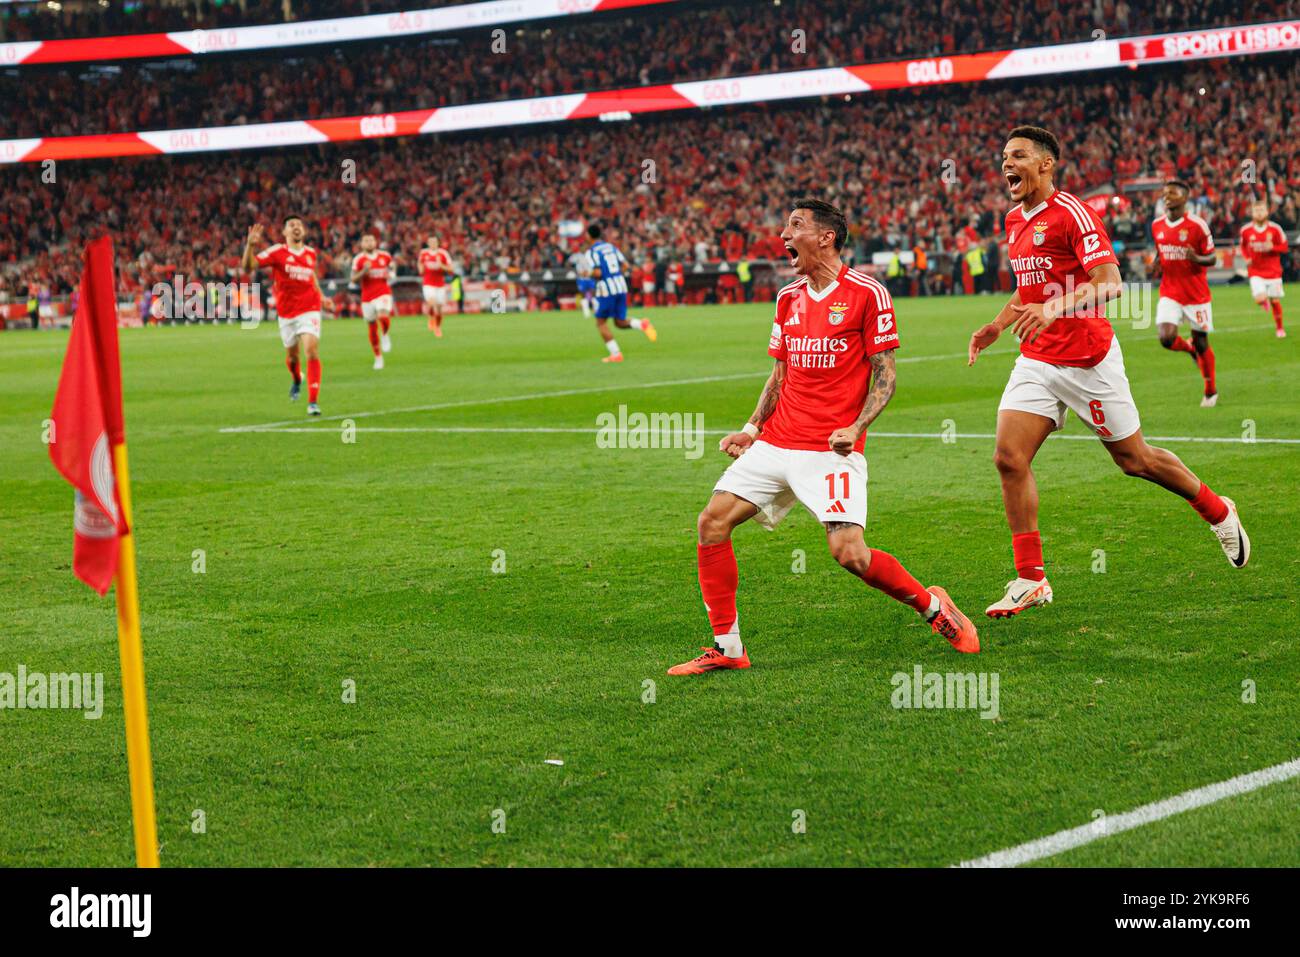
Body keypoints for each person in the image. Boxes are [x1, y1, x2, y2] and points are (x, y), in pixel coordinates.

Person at [668, 199, 979, 676]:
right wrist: (752, 429)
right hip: (777, 440)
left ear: (827, 237)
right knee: (711, 523)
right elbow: (779, 374)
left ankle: (934, 608)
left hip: (830, 448)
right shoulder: (787, 297)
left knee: (849, 554)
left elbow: (886, 376)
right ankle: (728, 648)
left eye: (795, 226)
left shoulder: (867, 293)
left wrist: (856, 427)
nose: (784, 235)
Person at [968, 127, 1249, 619]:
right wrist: (997, 324)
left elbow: (1112, 284)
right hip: (1037, 359)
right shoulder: (1013, 220)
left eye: (1018, 156)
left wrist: (1057, 308)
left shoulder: (1073, 213)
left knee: (1135, 460)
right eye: (1003, 157)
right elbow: (1029, 288)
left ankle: (1217, 510)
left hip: (1088, 359)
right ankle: (1031, 579)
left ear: (1046, 164)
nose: (1006, 165)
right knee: (1009, 458)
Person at [241, 215, 326, 415]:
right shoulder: (277, 252)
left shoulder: (311, 253)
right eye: (291, 225)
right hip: (287, 313)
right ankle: (297, 379)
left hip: (309, 308)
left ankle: (313, 402)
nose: (296, 228)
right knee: (293, 357)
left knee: (311, 350)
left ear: (303, 231)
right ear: (285, 232)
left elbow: (311, 275)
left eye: (299, 225)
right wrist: (250, 246)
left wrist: (322, 296)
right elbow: (248, 267)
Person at [1151, 180, 1218, 405]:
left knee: (1202, 343)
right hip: (1169, 291)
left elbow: (1212, 257)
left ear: (1185, 197)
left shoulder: (1198, 225)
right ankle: (1188, 347)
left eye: (1173, 192)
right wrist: (1156, 263)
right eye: (1165, 193)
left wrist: (1197, 258)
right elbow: (1161, 251)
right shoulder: (1157, 225)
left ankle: (1210, 390)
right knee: (1166, 338)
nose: (1167, 196)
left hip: (1196, 294)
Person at [580, 224, 657, 363]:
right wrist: (614, 275)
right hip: (621, 286)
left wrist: (587, 273)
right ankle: (642, 324)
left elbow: (598, 273)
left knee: (601, 322)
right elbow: (626, 266)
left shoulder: (591, 252)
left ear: (589, 236)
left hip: (606, 289)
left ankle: (616, 354)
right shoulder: (611, 247)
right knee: (619, 322)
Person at [1239, 199, 1289, 338]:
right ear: (1252, 213)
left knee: (1275, 301)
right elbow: (1243, 246)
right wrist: (1246, 257)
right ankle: (1263, 301)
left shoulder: (1275, 229)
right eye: (1256, 211)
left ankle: (1280, 328)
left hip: (1273, 272)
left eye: (1261, 210)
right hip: (1256, 272)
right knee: (1260, 298)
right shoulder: (1246, 230)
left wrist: (1272, 247)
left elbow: (1284, 247)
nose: (1259, 213)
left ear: (1267, 212)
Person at [351, 233, 395, 370]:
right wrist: (364, 271)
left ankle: (386, 334)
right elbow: (353, 279)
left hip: (383, 292)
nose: (369, 243)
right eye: (366, 241)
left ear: (375, 242)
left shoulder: (385, 256)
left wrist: (392, 273)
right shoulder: (359, 259)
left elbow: (392, 266)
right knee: (372, 327)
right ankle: (378, 357)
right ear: (362, 244)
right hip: (367, 297)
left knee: (383, 316)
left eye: (371, 240)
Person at [419, 234, 453, 337]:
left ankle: (437, 327)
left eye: (435, 242)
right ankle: (431, 318)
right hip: (428, 283)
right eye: (431, 242)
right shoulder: (423, 253)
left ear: (437, 243)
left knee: (438, 309)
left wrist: (441, 265)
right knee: (431, 303)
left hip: (440, 284)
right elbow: (420, 267)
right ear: (428, 243)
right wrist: (421, 269)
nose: (433, 244)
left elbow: (451, 269)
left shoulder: (443, 254)